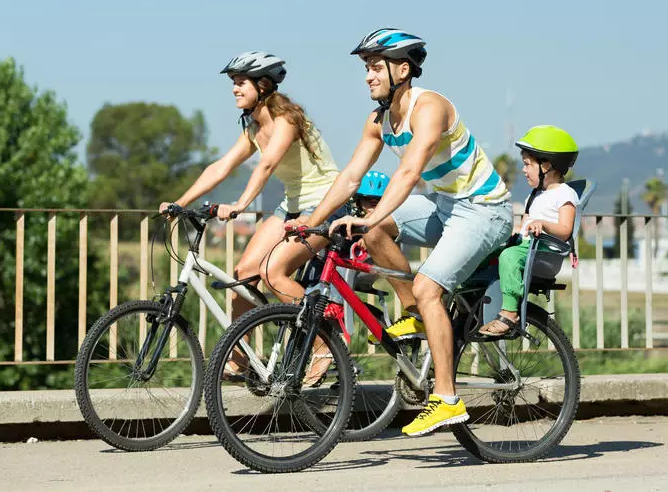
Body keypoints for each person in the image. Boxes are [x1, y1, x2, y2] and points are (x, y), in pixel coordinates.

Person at [294, 28, 513, 436]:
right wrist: (311, 222)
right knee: (372, 234)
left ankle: (447, 399)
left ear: (403, 69)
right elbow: (348, 179)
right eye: (366, 68)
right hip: (445, 205)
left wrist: (370, 216)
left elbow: (410, 171)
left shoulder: (429, 107)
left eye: (375, 67)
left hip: (484, 210)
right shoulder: (378, 121)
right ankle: (414, 313)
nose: (367, 76)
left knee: (429, 284)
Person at [158, 51, 342, 376]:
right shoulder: (254, 128)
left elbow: (268, 163)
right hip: (293, 206)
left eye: (240, 82)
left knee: (274, 274)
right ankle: (241, 357)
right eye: (233, 83)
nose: (234, 89)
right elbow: (222, 166)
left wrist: (242, 204)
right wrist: (180, 202)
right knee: (244, 273)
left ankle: (325, 342)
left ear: (264, 84)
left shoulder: (287, 120)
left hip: (327, 204)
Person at [479, 126, 579, 336]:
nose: (523, 170)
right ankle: (470, 302)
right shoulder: (534, 196)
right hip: (526, 247)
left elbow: (565, 230)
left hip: (544, 253)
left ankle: (509, 313)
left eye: (527, 164)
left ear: (546, 165)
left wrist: (543, 224)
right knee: (481, 253)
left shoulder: (565, 193)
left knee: (509, 256)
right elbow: (523, 226)